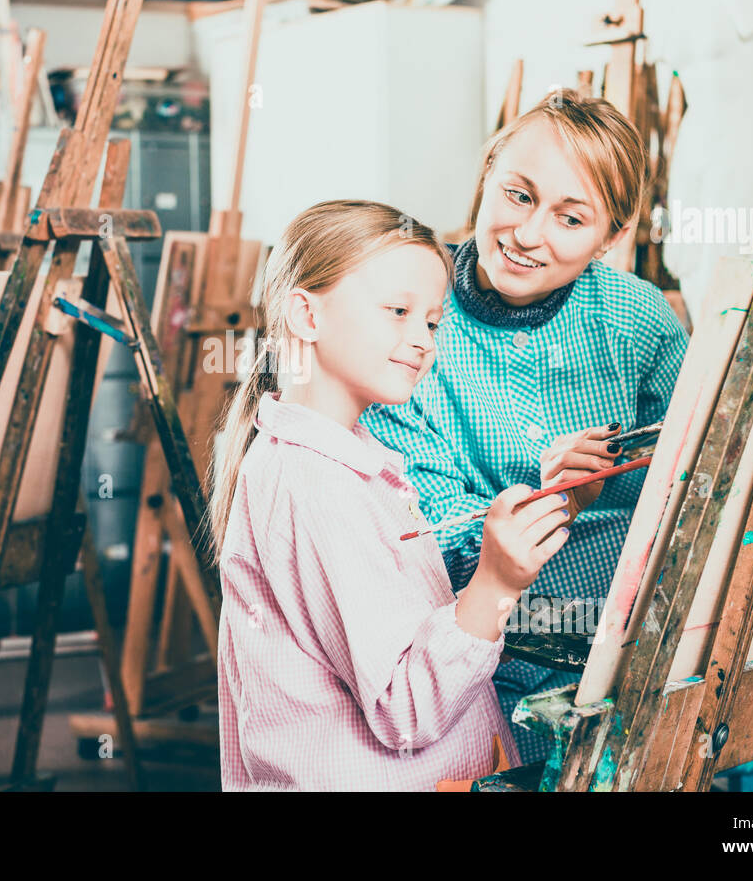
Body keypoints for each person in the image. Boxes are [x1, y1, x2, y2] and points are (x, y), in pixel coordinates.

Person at [361, 90, 689, 764]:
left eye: (571, 217)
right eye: (517, 195)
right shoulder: (411, 317)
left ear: (612, 235)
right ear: (486, 177)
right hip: (480, 645)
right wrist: (551, 502)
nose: (530, 233)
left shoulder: (640, 320)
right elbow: (428, 539)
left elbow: (698, 490)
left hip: (644, 642)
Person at [211, 200, 574, 790]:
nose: (423, 341)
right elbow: (405, 709)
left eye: (431, 322)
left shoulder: (347, 461)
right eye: (397, 312)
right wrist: (495, 584)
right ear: (307, 314)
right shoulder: (313, 485)